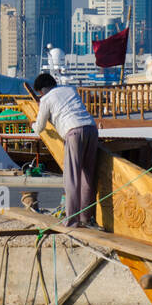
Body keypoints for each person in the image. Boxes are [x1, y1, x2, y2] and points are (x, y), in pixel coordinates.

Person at [32, 74, 99, 228]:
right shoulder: (70, 89)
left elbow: (40, 126)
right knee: (88, 176)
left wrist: (32, 125)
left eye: (39, 92)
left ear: (42, 90)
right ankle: (86, 218)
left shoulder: (46, 99)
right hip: (91, 128)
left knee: (72, 178)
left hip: (73, 131)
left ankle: (72, 221)